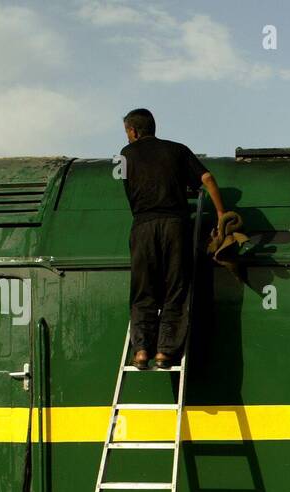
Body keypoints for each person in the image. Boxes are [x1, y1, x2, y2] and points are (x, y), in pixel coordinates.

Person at [120, 108, 227, 369]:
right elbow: (207, 178)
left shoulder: (125, 154)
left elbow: (131, 186)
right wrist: (222, 214)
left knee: (143, 289)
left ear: (133, 131)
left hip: (143, 225)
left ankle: (142, 349)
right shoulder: (178, 150)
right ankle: (165, 352)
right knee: (176, 288)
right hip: (175, 226)